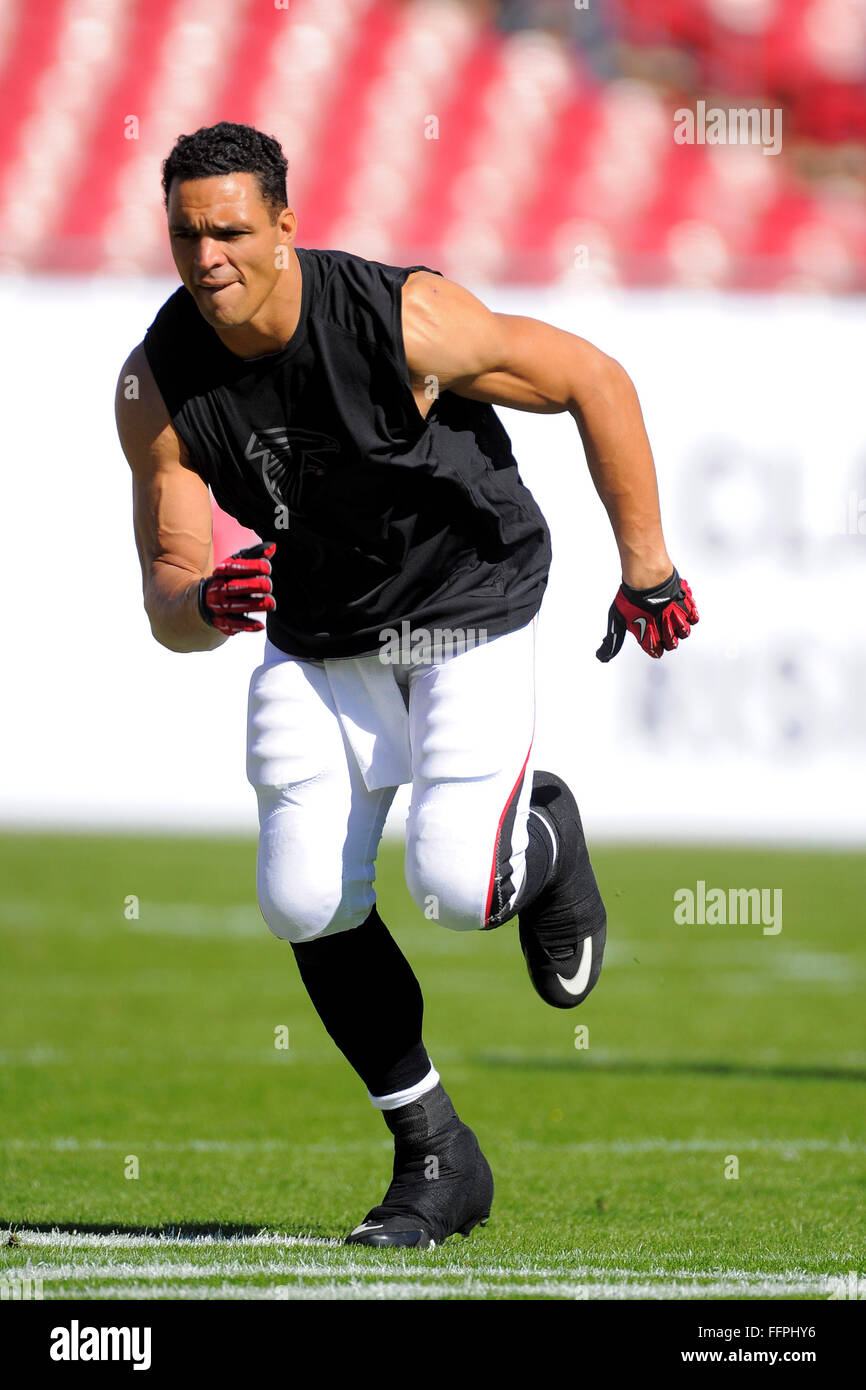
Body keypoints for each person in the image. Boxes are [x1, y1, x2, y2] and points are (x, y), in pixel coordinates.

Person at [115, 121, 698, 1250]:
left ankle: (545, 835)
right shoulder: (157, 384)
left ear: (286, 227)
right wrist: (208, 605)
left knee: (448, 883)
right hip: (316, 631)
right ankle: (435, 1152)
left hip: (461, 605)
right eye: (186, 233)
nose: (207, 256)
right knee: (298, 897)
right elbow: (168, 599)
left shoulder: (399, 317)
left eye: (231, 229)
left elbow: (592, 376)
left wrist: (648, 564)